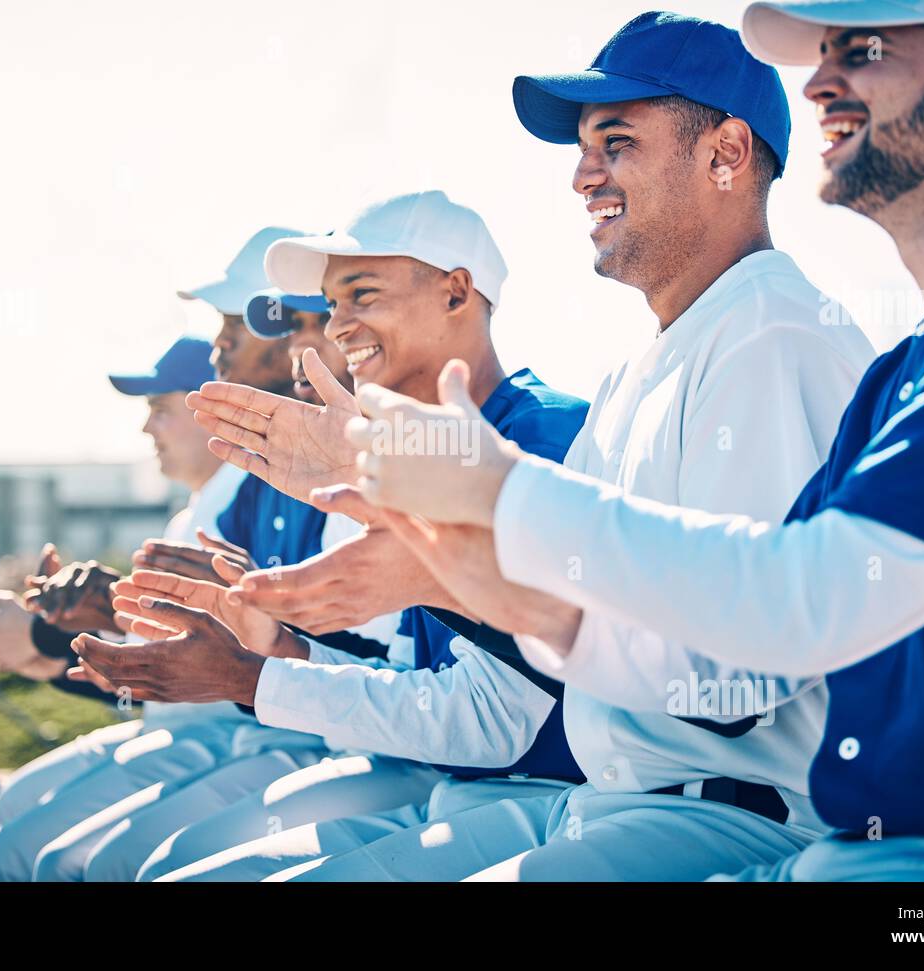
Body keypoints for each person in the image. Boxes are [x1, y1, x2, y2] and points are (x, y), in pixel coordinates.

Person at [344, 0, 924, 881]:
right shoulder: (909, 366)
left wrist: (498, 496)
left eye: (864, 49)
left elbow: (798, 603)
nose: (819, 81)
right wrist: (469, 564)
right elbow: (748, 648)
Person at [260, 10, 879, 882]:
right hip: (623, 809)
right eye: (584, 149)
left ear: (727, 153)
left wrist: (446, 566)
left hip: (735, 824)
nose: (584, 175)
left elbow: (733, 684)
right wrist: (435, 563)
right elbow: (565, 654)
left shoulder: (771, 333)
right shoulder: (645, 366)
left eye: (615, 140)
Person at [72, 191, 592, 881]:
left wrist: (256, 675)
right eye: (328, 304)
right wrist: (278, 644)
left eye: (360, 295)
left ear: (456, 292)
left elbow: (494, 722)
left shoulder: (540, 435)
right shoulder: (407, 450)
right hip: (456, 786)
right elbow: (414, 680)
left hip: (549, 799)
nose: (334, 325)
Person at [0, 227, 341, 881]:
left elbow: (261, 653)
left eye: (252, 320)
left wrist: (60, 636)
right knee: (23, 819)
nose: (220, 343)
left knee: (100, 858)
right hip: (263, 725)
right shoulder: (245, 491)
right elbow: (216, 648)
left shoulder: (302, 474)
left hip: (295, 738)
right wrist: (76, 637)